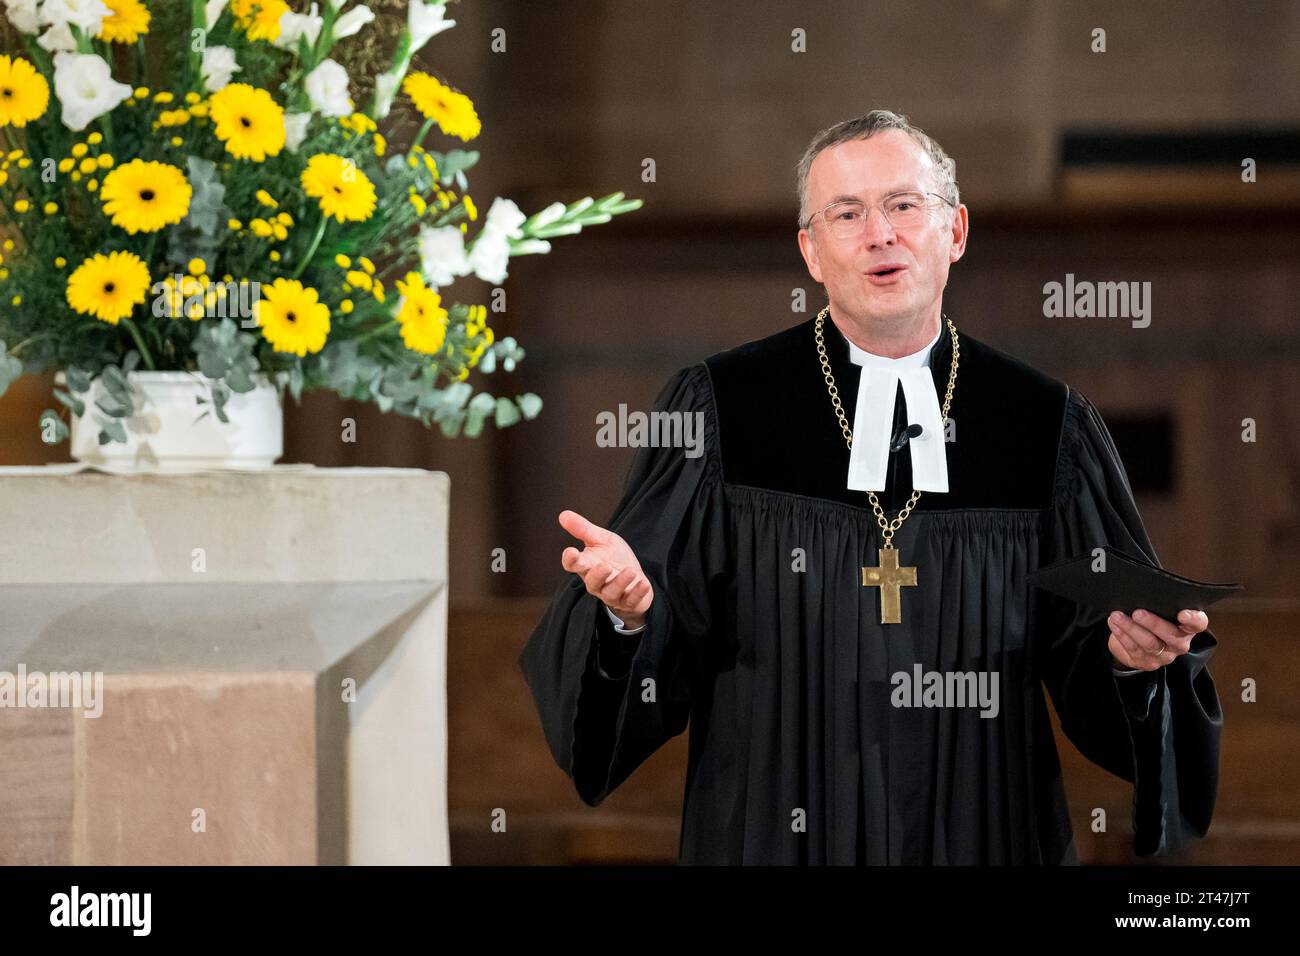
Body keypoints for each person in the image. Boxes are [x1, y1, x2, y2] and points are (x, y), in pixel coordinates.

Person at [517, 109, 1221, 865]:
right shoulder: (723, 409)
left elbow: (1097, 649)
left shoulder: (1043, 423)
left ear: (955, 231)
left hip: (983, 828)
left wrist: (1132, 659)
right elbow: (649, 654)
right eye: (845, 214)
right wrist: (626, 616)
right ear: (811, 252)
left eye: (903, 205)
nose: (879, 234)